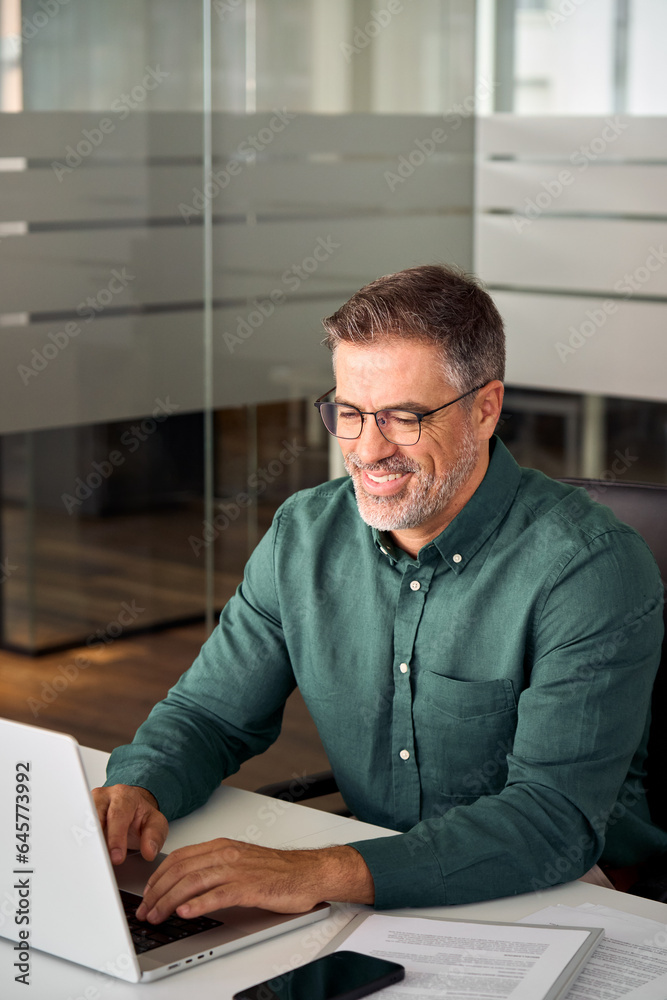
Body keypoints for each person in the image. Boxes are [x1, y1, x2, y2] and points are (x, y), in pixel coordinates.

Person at [94, 264, 666, 926]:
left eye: (401, 417)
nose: (366, 449)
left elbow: (550, 820)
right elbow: (211, 716)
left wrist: (320, 871)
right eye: (348, 412)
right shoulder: (304, 533)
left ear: (484, 409)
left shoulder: (587, 566)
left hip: (560, 895)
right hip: (370, 881)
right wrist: (139, 784)